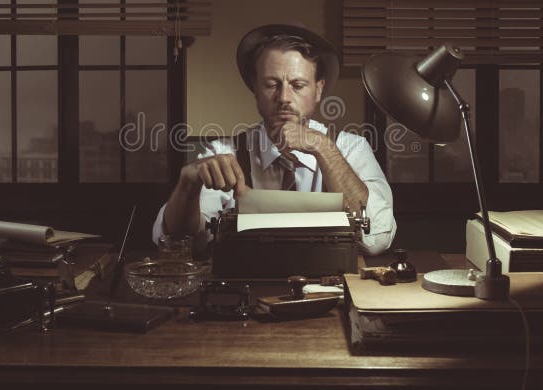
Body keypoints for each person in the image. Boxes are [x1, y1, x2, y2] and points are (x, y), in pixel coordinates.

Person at [152, 24, 396, 256]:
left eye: (298, 85)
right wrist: (188, 184)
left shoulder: (351, 148)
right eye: (271, 84)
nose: (284, 98)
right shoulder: (224, 152)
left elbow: (377, 238)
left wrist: (324, 148)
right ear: (255, 88)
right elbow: (179, 241)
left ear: (318, 90)